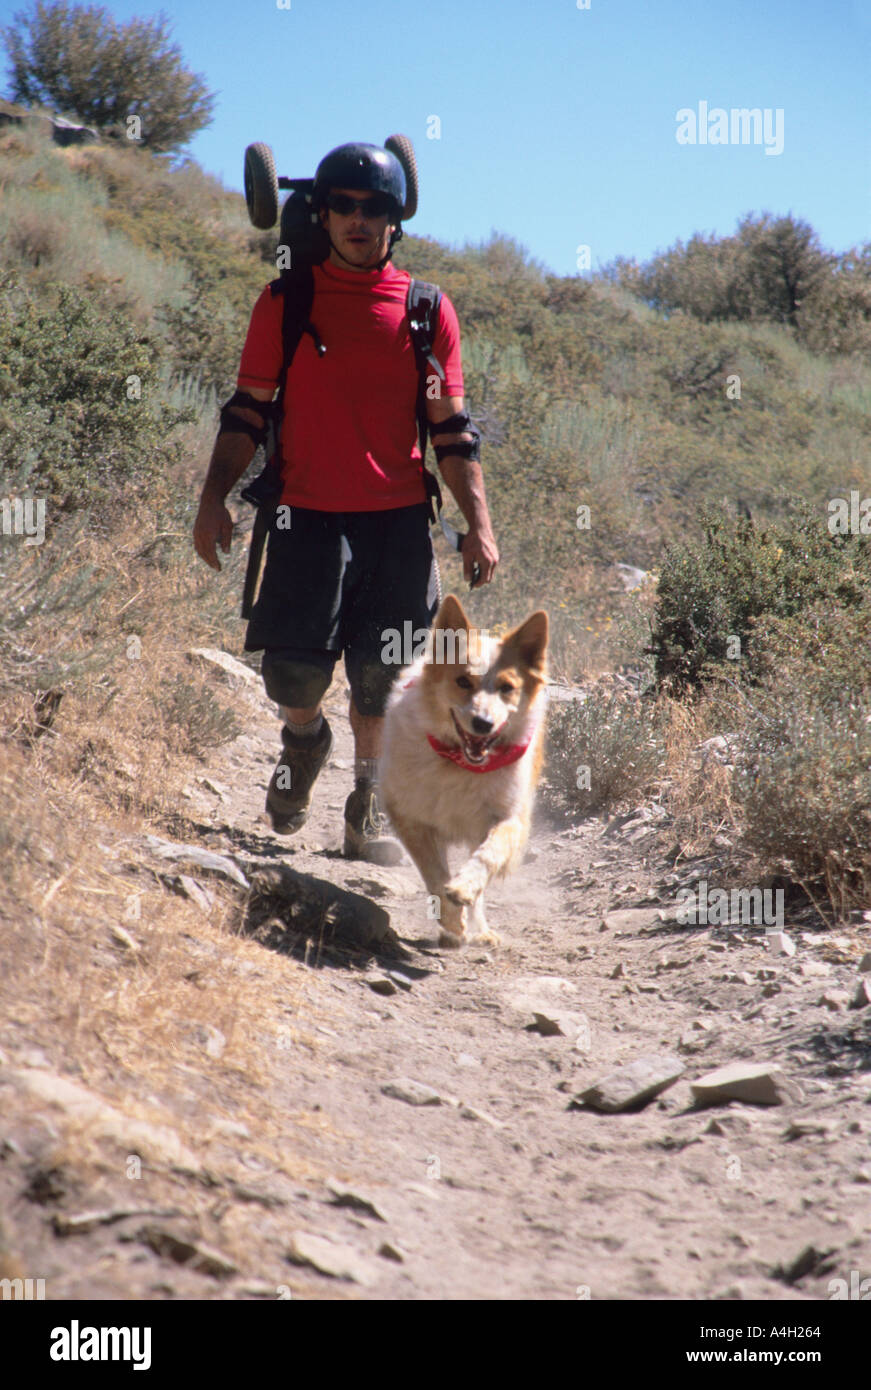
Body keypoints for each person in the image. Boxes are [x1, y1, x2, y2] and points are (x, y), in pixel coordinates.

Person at [193, 141, 499, 862]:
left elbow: (449, 431)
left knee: (381, 677)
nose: (358, 220)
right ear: (321, 215)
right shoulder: (285, 302)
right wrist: (213, 500)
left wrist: (477, 526)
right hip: (304, 515)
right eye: (344, 207)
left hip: (395, 523)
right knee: (293, 672)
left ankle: (369, 803)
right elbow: (246, 412)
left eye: (374, 209)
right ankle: (304, 740)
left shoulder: (426, 311)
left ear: (395, 221)